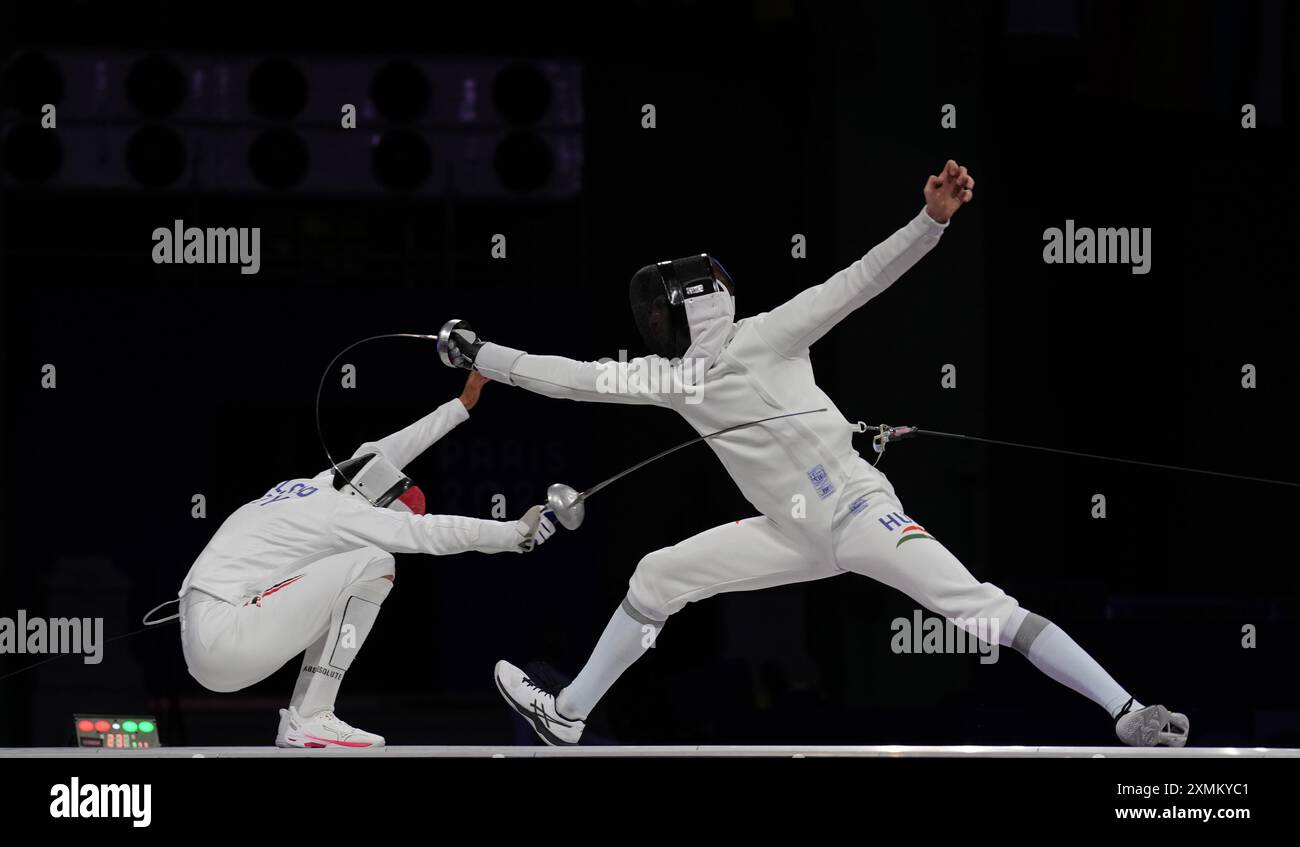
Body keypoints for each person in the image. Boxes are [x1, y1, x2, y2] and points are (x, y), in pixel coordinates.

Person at [442, 161, 1188, 748]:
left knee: (979, 606)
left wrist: (930, 222)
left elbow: (860, 279)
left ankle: (1124, 707)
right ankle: (569, 712)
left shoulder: (767, 334)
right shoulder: (675, 378)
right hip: (789, 528)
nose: (654, 325)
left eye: (661, 312)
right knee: (660, 574)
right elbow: (573, 378)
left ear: (690, 308)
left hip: (860, 512)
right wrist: (487, 354)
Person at [178, 371, 556, 748]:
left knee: (351, 571)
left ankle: (306, 717)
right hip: (227, 638)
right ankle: (311, 716)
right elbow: (426, 532)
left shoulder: (315, 487)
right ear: (372, 506)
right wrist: (511, 534)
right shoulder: (338, 512)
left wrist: (460, 406)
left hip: (208, 634)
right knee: (376, 560)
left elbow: (377, 457)